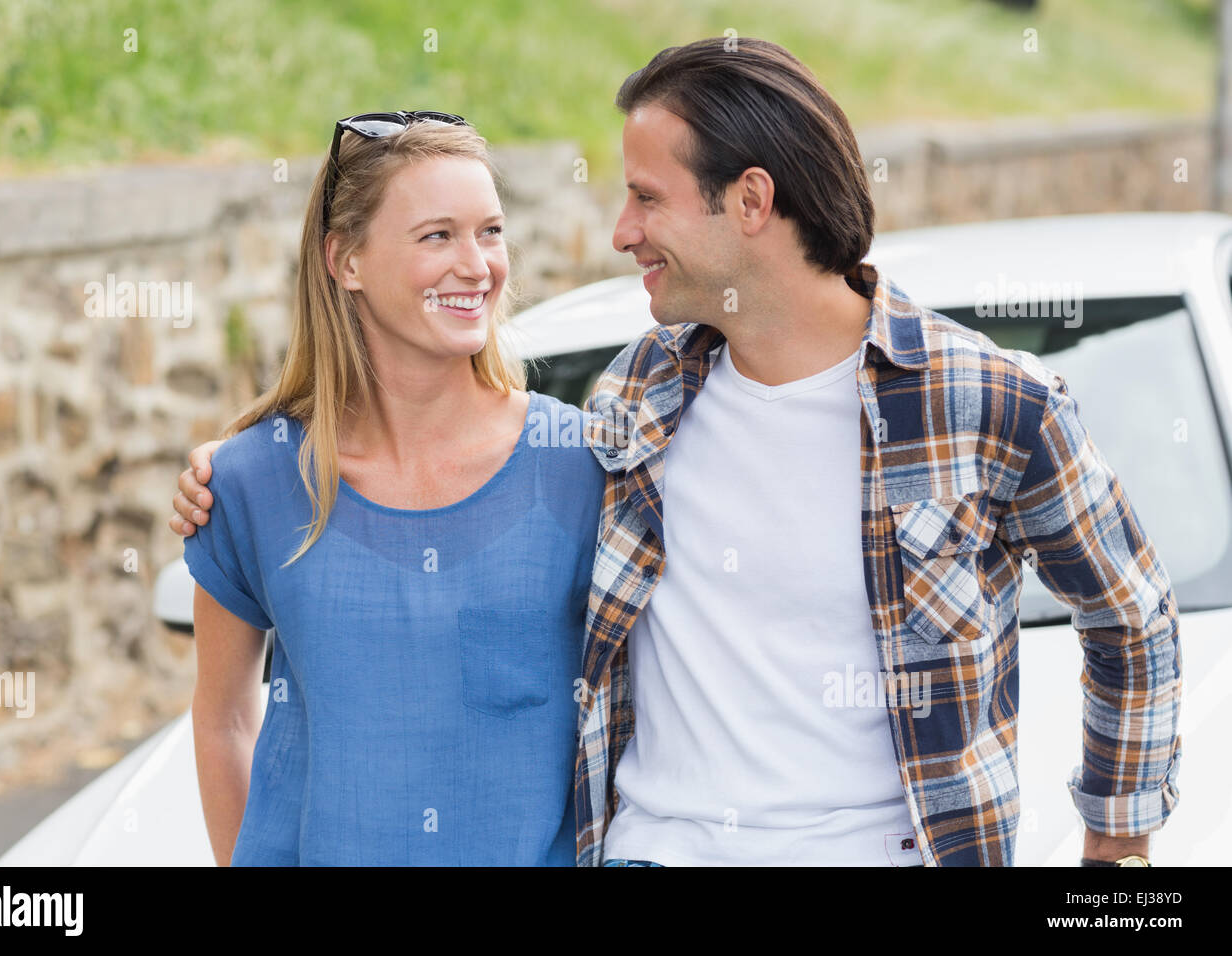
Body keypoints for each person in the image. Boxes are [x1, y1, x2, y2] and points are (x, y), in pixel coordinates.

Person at [175, 40, 1182, 868]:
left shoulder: (986, 403)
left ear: (748, 201)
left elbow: (1131, 614)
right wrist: (239, 471)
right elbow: (423, 474)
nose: (619, 231)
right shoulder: (637, 398)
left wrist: (1114, 847)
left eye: (646, 199)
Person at [178, 111, 604, 865]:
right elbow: (223, 723)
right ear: (346, 261)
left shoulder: (579, 464)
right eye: (437, 235)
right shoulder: (249, 481)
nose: (477, 266)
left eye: (491, 231)